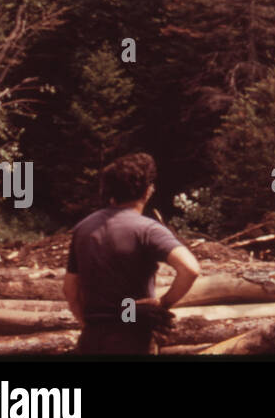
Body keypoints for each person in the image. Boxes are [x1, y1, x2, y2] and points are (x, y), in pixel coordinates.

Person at [64, 152, 201, 354]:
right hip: (132, 335)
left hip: (91, 338)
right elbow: (190, 269)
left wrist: (90, 326)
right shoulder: (146, 229)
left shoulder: (83, 228)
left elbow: (70, 291)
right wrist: (164, 303)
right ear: (147, 190)